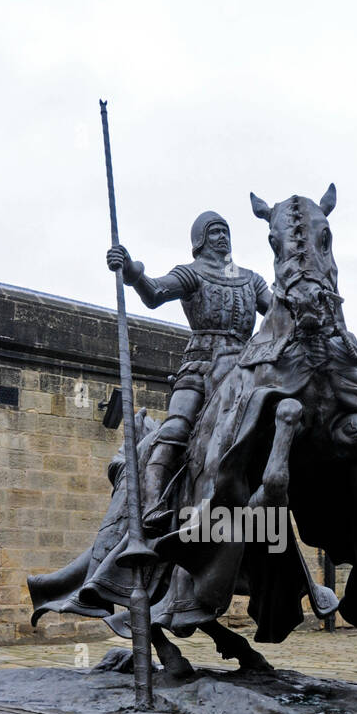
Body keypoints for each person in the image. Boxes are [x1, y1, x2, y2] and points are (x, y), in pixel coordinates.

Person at [106, 211, 271, 530]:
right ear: (199, 241)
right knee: (177, 427)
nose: (222, 237)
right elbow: (154, 292)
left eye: (226, 231)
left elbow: (279, 311)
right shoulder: (191, 274)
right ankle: (153, 502)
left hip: (246, 368)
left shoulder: (251, 279)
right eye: (214, 232)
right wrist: (130, 271)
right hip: (200, 365)